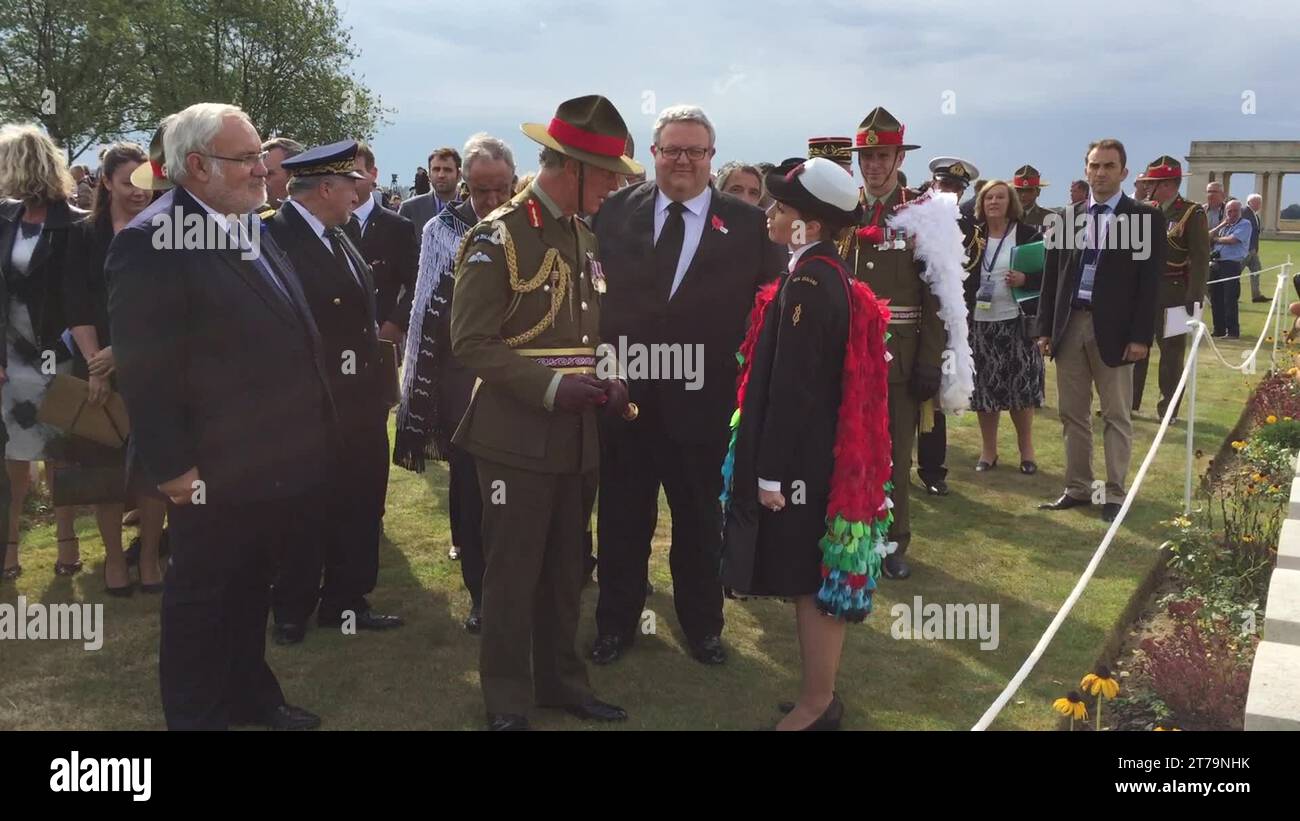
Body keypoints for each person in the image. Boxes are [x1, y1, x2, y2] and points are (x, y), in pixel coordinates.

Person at [107, 102, 333, 730]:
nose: (265, 169)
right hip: (205, 469)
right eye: (248, 159)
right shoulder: (152, 242)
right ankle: (197, 717)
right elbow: (146, 370)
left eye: (262, 155)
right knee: (200, 600)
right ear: (198, 166)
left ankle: (251, 699)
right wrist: (174, 467)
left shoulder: (248, 223)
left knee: (247, 588)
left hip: (262, 463)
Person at [450, 94, 639, 731]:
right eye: (608, 173)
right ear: (571, 167)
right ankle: (506, 699)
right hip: (514, 437)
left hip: (575, 435)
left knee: (565, 570)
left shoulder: (581, 233)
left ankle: (561, 683)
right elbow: (471, 342)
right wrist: (556, 390)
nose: (615, 186)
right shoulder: (498, 233)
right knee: (512, 574)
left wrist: (604, 379)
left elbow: (580, 336)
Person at [589, 104, 786, 667]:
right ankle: (615, 626)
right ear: (652, 154)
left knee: (700, 524)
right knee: (623, 521)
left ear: (711, 157)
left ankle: (703, 627)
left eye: (694, 151)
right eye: (671, 149)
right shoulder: (614, 212)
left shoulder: (748, 224)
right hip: (626, 400)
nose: (682, 160)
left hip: (705, 404)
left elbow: (765, 312)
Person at [720, 157, 890, 731]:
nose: (771, 213)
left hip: (802, 461)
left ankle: (818, 703)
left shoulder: (810, 281)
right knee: (805, 579)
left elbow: (793, 388)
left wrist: (769, 472)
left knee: (809, 582)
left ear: (810, 224)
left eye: (782, 207)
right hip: (815, 455)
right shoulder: (824, 271)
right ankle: (816, 695)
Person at [265, 139, 403, 645]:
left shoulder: (336, 234)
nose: (360, 194)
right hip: (308, 406)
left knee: (360, 501)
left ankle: (347, 599)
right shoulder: (270, 239)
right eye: (351, 185)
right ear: (324, 187)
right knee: (304, 508)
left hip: (360, 405)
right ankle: (291, 606)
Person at [394, 132, 517, 634]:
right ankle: (480, 593)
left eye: (500, 189)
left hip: (521, 381)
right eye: (480, 190)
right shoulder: (441, 229)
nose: (490, 201)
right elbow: (424, 310)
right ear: (463, 184)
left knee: (515, 494)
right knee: (470, 490)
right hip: (462, 383)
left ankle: (520, 587)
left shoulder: (530, 224)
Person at [841, 107, 948, 580]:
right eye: (866, 156)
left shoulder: (921, 212)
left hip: (899, 356)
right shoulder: (844, 207)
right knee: (846, 447)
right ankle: (850, 533)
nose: (873, 165)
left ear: (898, 155)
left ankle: (891, 541)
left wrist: (931, 360)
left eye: (882, 156)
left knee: (892, 453)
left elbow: (940, 294)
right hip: (846, 352)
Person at [1034, 138, 1164, 523]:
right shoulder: (1065, 218)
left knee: (1115, 414)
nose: (1101, 173)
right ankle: (1077, 487)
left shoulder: (1144, 217)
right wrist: (1044, 328)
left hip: (1118, 331)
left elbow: (1150, 283)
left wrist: (1141, 336)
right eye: (1094, 165)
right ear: (1085, 170)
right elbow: (1051, 279)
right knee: (1072, 414)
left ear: (1123, 172)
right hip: (1070, 324)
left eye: (1109, 166)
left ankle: (1114, 493)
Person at [62, 140, 161, 594]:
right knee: (103, 467)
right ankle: (113, 561)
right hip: (97, 366)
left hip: (155, 362)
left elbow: (173, 302)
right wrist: (96, 367)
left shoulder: (167, 230)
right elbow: (76, 302)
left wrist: (125, 349)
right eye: (128, 182)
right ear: (105, 182)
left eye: (145, 181)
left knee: (156, 465)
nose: (140, 191)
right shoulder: (83, 235)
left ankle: (148, 557)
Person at [0, 123, 86, 583]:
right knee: (15, 453)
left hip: (58, 354)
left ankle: (67, 540)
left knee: (59, 450)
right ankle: (10, 544)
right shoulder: (2, 220)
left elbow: (82, 298)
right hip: (10, 356)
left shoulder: (74, 224)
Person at [963, 180, 1044, 473]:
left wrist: (1025, 280)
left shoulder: (1027, 234)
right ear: (981, 204)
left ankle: (1027, 452)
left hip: (1016, 321)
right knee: (986, 390)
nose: (994, 202)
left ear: (1011, 202)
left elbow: (1046, 276)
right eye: (988, 198)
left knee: (1021, 388)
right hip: (980, 324)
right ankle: (989, 451)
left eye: (1000, 197)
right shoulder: (972, 236)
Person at [914, 156, 979, 496]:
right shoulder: (914, 213)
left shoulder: (969, 227)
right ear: (933, 184)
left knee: (934, 400)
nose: (950, 192)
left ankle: (932, 471)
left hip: (947, 320)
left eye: (956, 188)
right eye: (945, 185)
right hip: (913, 315)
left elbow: (969, 277)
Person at [1130, 156, 1207, 421]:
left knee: (1172, 355)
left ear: (1166, 184)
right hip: (1144, 291)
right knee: (1136, 347)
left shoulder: (1191, 212)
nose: (1147, 187)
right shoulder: (1146, 209)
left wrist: (1194, 296)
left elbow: (1199, 257)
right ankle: (1130, 402)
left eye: (1153, 183)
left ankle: (1168, 409)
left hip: (1174, 290)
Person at [346, 142, 418, 354]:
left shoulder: (397, 227)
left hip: (381, 338)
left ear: (373, 174)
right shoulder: (326, 223)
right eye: (343, 174)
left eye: (357, 173)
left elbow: (417, 282)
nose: (350, 181)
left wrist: (396, 324)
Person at [1208, 198, 1252, 339]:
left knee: (1229, 299)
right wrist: (1221, 225)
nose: (1232, 214)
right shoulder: (1224, 226)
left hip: (1231, 264)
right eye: (1229, 211)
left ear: (1240, 212)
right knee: (1216, 298)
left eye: (1235, 211)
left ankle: (1232, 331)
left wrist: (1215, 240)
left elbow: (1232, 240)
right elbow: (1208, 235)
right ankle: (1219, 329)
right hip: (1216, 263)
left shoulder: (1245, 224)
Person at [399, 147, 461, 230]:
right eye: (436, 169)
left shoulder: (474, 209)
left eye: (447, 170)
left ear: (459, 175)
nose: (441, 175)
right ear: (429, 175)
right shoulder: (409, 209)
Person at [260, 136, 305, 213]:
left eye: (269, 174)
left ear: (294, 177)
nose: (261, 182)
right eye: (259, 175)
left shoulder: (320, 220)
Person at [1244, 193, 1265, 303]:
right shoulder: (1244, 213)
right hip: (1244, 250)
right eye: (1256, 202)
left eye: (1260, 202)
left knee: (1256, 269)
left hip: (1252, 250)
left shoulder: (1255, 215)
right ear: (1249, 202)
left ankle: (1256, 296)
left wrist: (1255, 249)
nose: (1259, 205)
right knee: (1235, 273)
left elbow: (1255, 234)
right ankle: (1232, 295)